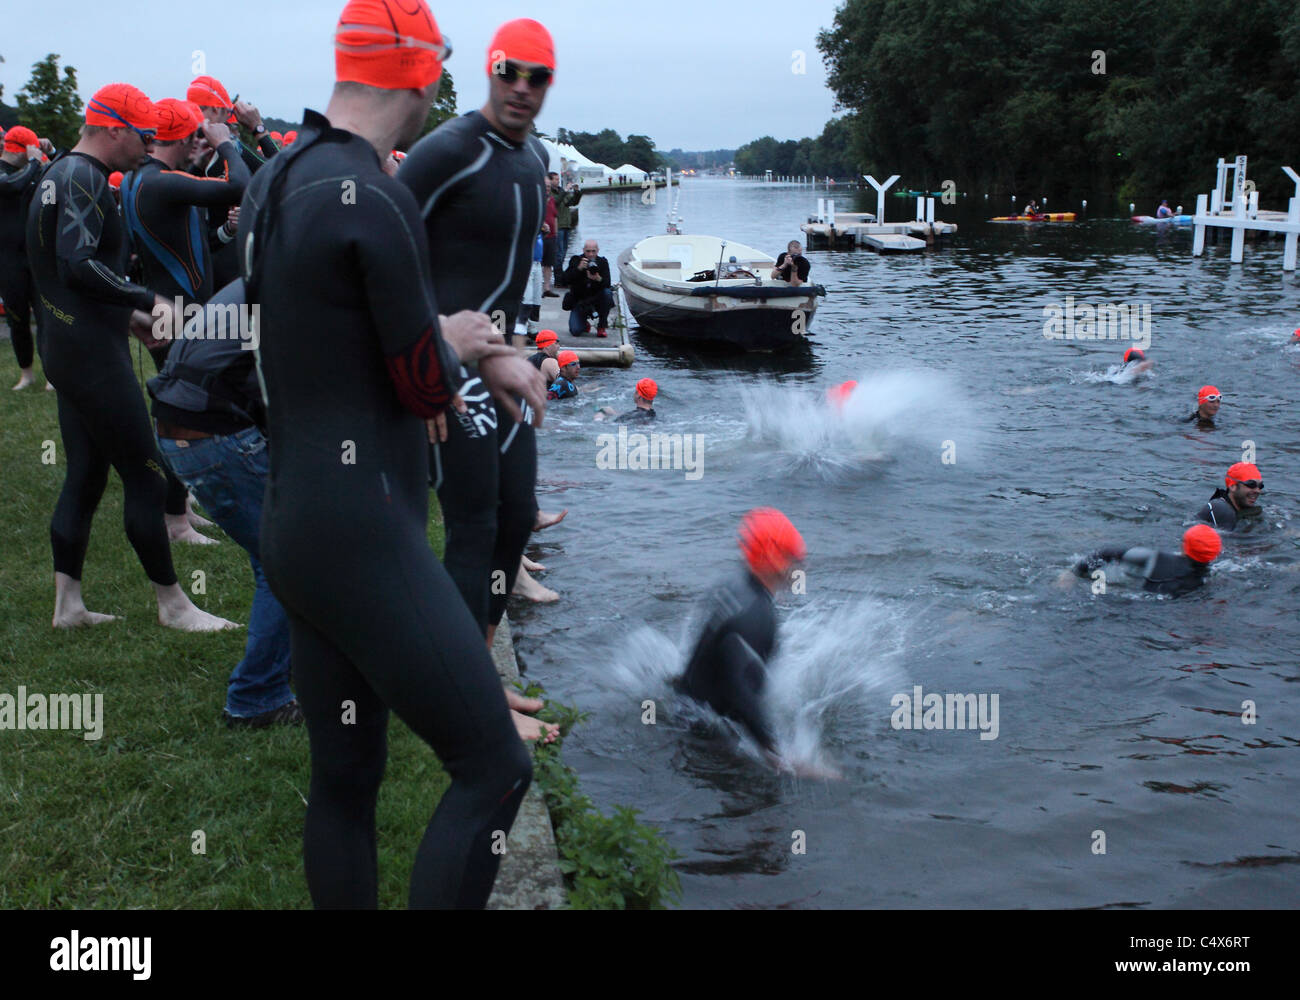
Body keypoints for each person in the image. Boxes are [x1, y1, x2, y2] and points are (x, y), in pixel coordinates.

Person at [239, 0, 547, 909]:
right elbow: (419, 387)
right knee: (493, 766)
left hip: (293, 519)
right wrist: (456, 338)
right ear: (417, 70)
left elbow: (316, 335)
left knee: (347, 779)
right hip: (363, 529)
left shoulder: (278, 175)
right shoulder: (373, 193)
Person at [26, 82, 235, 631]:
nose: (146, 145)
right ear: (114, 128)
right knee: (145, 475)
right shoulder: (84, 178)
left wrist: (131, 320)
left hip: (69, 344)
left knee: (86, 475)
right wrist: (146, 300)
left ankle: (67, 606)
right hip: (90, 356)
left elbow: (64, 280)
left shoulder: (58, 175)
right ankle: (174, 606)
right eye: (141, 135)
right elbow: (79, 266)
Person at [399, 17, 558, 669]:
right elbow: (388, 252)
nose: (521, 88)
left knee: (516, 517)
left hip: (499, 362)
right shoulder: (448, 150)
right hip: (447, 362)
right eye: (508, 72)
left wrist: (517, 354)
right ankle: (468, 690)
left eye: (537, 77)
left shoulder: (534, 159)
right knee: (474, 527)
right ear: (489, 72)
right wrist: (423, 370)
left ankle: (484, 664)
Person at [148, 279, 301, 727]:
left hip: (187, 429)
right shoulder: (303, 284)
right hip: (212, 437)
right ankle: (256, 698)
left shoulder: (265, 270)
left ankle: (288, 663)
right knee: (284, 565)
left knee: (281, 558)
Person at [121, 97, 251, 545]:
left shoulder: (152, 179)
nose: (203, 140)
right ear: (184, 137)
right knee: (182, 414)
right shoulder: (161, 183)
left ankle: (179, 508)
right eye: (198, 134)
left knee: (180, 410)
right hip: (179, 313)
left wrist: (224, 231)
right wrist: (227, 144)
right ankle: (175, 519)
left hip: (176, 308)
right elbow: (243, 186)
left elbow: (190, 240)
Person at [675, 508, 832, 777]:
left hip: (685, 709)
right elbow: (741, 694)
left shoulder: (733, 585)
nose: (801, 567)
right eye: (794, 559)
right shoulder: (758, 616)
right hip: (704, 740)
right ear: (773, 558)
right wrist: (779, 755)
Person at [0, 125, 52, 389]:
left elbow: (54, 182)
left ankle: (51, 374)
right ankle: (27, 373)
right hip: (8, 259)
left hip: (35, 254)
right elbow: (11, 186)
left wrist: (48, 154)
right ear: (20, 150)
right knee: (17, 317)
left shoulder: (31, 171)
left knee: (45, 316)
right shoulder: (5, 173)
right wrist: (33, 162)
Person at [1067, 524, 1221, 597]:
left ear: (1184, 546)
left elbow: (1106, 552)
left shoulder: (1155, 559)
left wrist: (1072, 573)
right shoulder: (1205, 580)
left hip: (1122, 598)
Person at [563, 239, 612, 337]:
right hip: (580, 301)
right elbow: (564, 280)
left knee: (607, 293)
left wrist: (598, 279)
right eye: (588, 251)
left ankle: (601, 326)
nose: (590, 254)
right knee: (575, 331)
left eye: (593, 251)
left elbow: (607, 284)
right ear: (583, 250)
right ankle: (584, 324)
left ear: (597, 251)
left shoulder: (602, 262)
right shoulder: (576, 260)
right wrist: (579, 269)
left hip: (597, 299)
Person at [1194, 462, 1263, 531]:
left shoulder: (1242, 507)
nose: (1257, 491)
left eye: (1260, 486)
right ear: (1232, 486)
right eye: (1251, 485)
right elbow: (1228, 539)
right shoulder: (1221, 508)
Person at [549, 171, 582, 283]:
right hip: (557, 225)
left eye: (559, 179)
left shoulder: (561, 191)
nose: (558, 181)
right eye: (556, 179)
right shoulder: (550, 193)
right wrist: (566, 191)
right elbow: (556, 202)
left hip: (566, 224)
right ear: (550, 181)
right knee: (558, 253)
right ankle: (558, 279)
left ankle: (560, 276)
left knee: (563, 252)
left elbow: (572, 202)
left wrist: (577, 192)